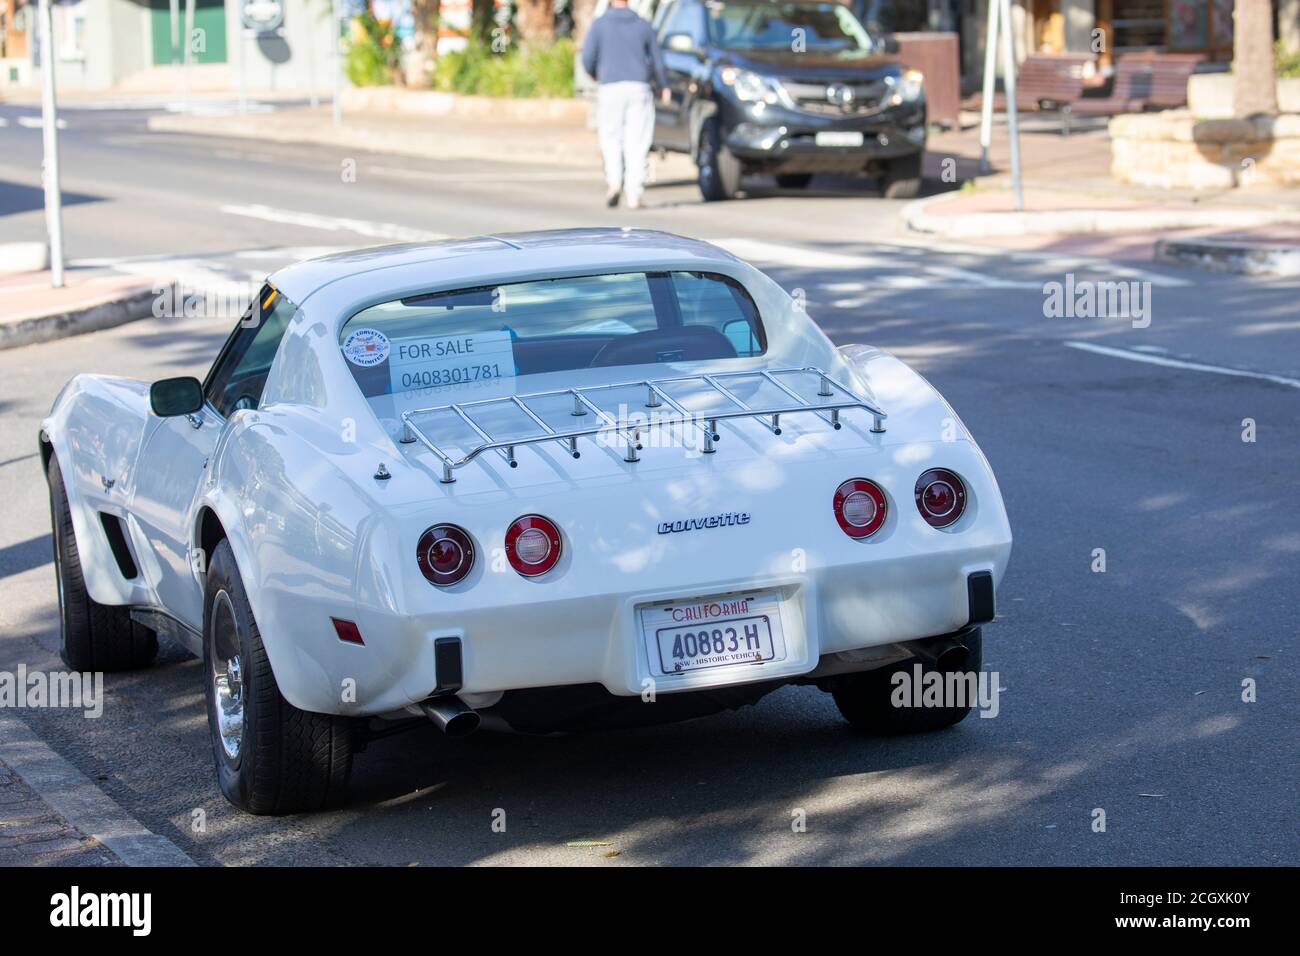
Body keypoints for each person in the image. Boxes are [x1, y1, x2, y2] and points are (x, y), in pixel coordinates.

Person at [581, 1, 670, 209]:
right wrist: (663, 85)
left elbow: (587, 57)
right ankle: (634, 193)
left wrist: (596, 74)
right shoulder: (643, 24)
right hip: (639, 86)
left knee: (610, 137)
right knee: (637, 141)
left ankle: (614, 182)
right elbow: (657, 60)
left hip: (610, 86)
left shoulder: (600, 25)